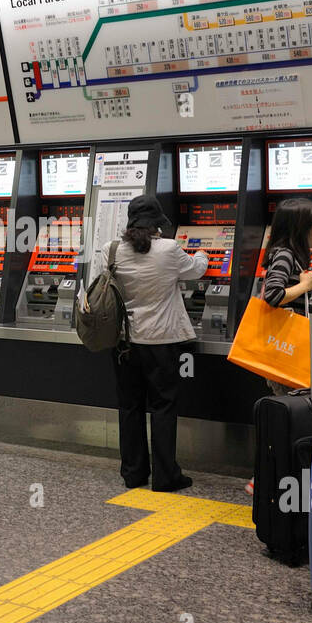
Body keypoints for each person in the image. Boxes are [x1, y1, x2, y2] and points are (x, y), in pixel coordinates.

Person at [88, 194, 209, 493]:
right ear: (157, 224)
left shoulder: (112, 250)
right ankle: (166, 476)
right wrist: (204, 254)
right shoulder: (169, 249)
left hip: (124, 342)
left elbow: (98, 286)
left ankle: (133, 473)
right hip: (161, 342)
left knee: (129, 406)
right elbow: (196, 270)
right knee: (163, 406)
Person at [243, 197, 312, 495]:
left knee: (290, 416)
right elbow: (272, 296)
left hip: (284, 350)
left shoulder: (288, 255)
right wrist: (305, 286)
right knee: (290, 417)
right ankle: (264, 478)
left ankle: (268, 477)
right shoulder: (286, 255)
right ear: (300, 227)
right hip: (283, 352)